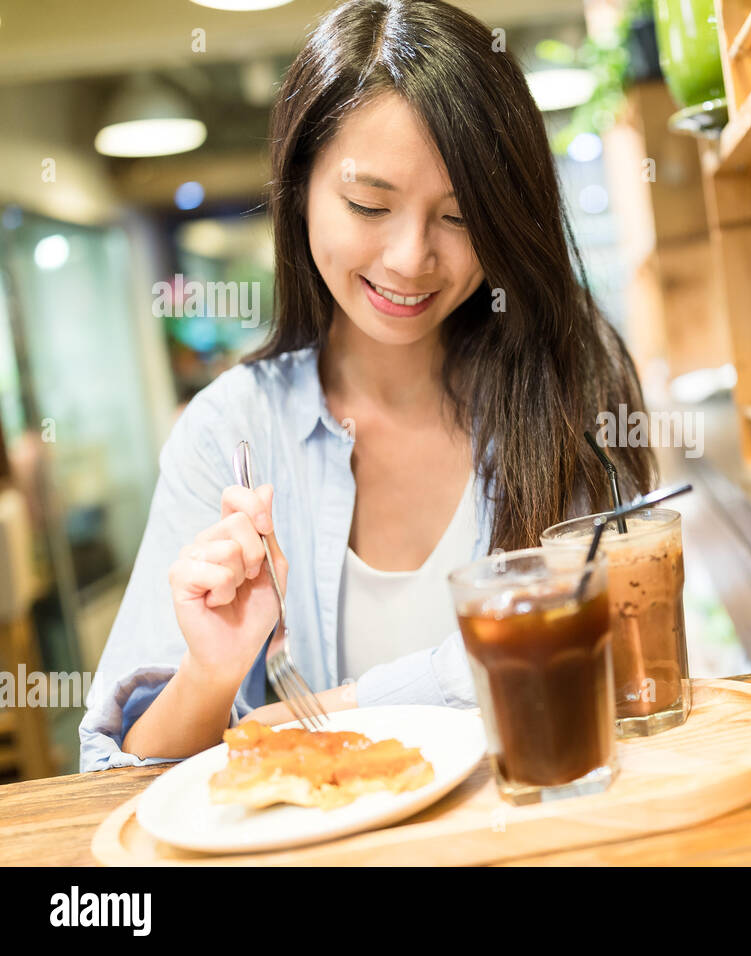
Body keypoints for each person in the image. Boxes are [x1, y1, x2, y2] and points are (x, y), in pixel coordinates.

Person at [79, 0, 657, 771]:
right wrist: (212, 675)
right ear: (300, 189)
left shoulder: (565, 391)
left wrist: (329, 713)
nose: (411, 257)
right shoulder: (231, 432)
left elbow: (611, 654)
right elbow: (115, 777)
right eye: (369, 205)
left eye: (458, 217)